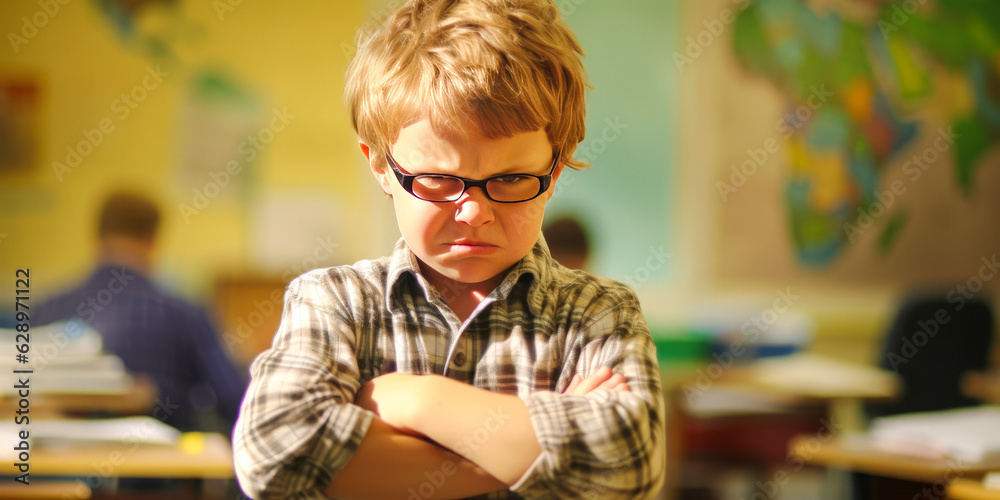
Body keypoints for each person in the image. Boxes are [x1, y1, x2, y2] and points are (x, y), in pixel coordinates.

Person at [233, 0, 666, 498]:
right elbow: (274, 457)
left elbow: (631, 469)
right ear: (380, 164)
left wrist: (416, 401)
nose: (473, 212)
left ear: (556, 169)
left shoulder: (595, 313)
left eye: (511, 178)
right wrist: (533, 457)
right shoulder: (336, 303)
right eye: (437, 179)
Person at [35, 191, 246, 434]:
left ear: (97, 236)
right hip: (160, 467)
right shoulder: (185, 313)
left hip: (55, 466)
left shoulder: (45, 310)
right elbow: (235, 401)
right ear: (152, 239)